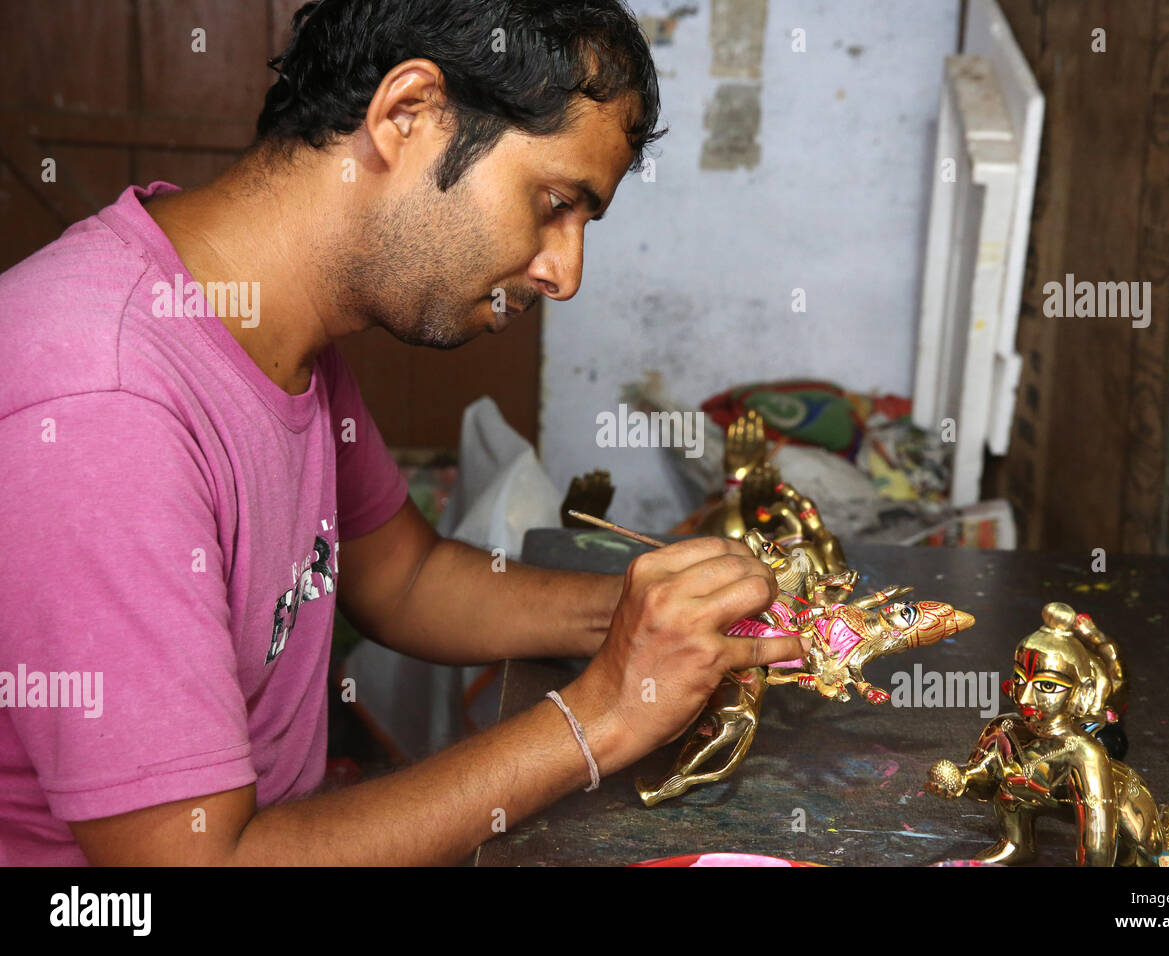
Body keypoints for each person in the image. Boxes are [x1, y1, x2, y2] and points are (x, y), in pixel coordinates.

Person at [0, 0, 806, 865]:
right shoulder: (100, 404)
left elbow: (406, 579)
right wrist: (604, 715)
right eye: (554, 202)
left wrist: (652, 619)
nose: (564, 274)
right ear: (407, 114)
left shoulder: (269, 321)